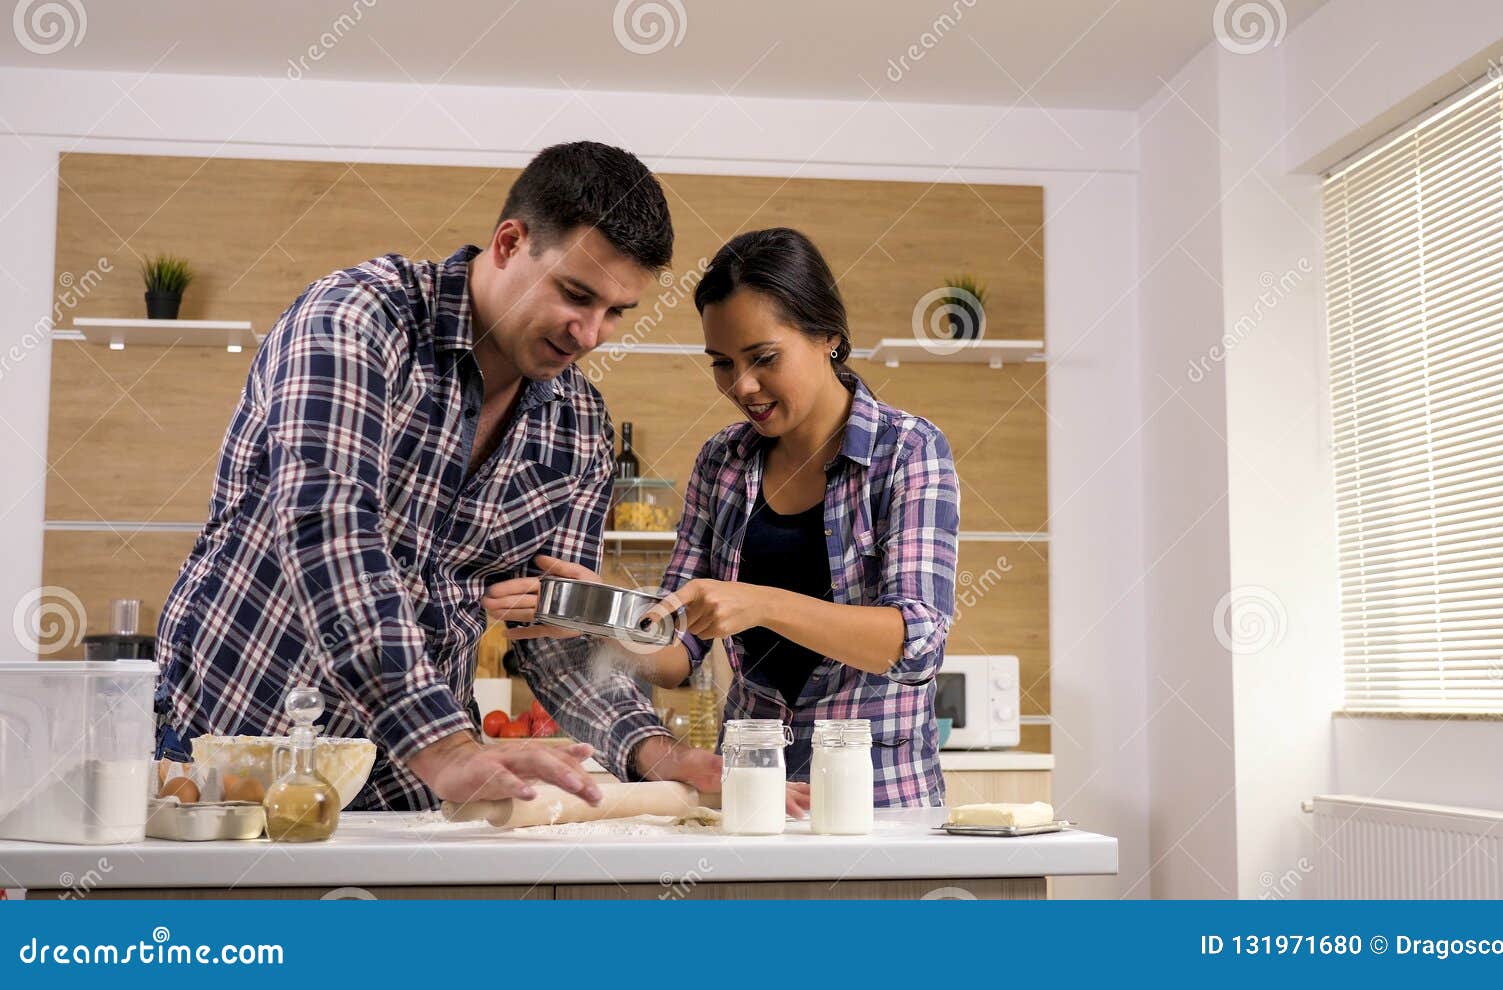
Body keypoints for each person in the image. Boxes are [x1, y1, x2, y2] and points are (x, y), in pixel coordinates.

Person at [154, 141, 719, 811]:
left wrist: (654, 750)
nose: (590, 334)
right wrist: (445, 745)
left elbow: (552, 637)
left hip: (410, 787)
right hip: (240, 752)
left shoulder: (578, 427)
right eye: (576, 294)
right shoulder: (357, 321)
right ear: (509, 242)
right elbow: (327, 532)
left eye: (616, 311)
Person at [487, 227, 960, 807]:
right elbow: (675, 656)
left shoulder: (908, 451)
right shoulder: (723, 461)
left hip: (878, 796)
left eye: (763, 358)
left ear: (828, 337)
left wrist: (761, 602)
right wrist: (607, 616)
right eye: (722, 363)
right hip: (749, 788)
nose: (743, 386)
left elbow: (917, 644)